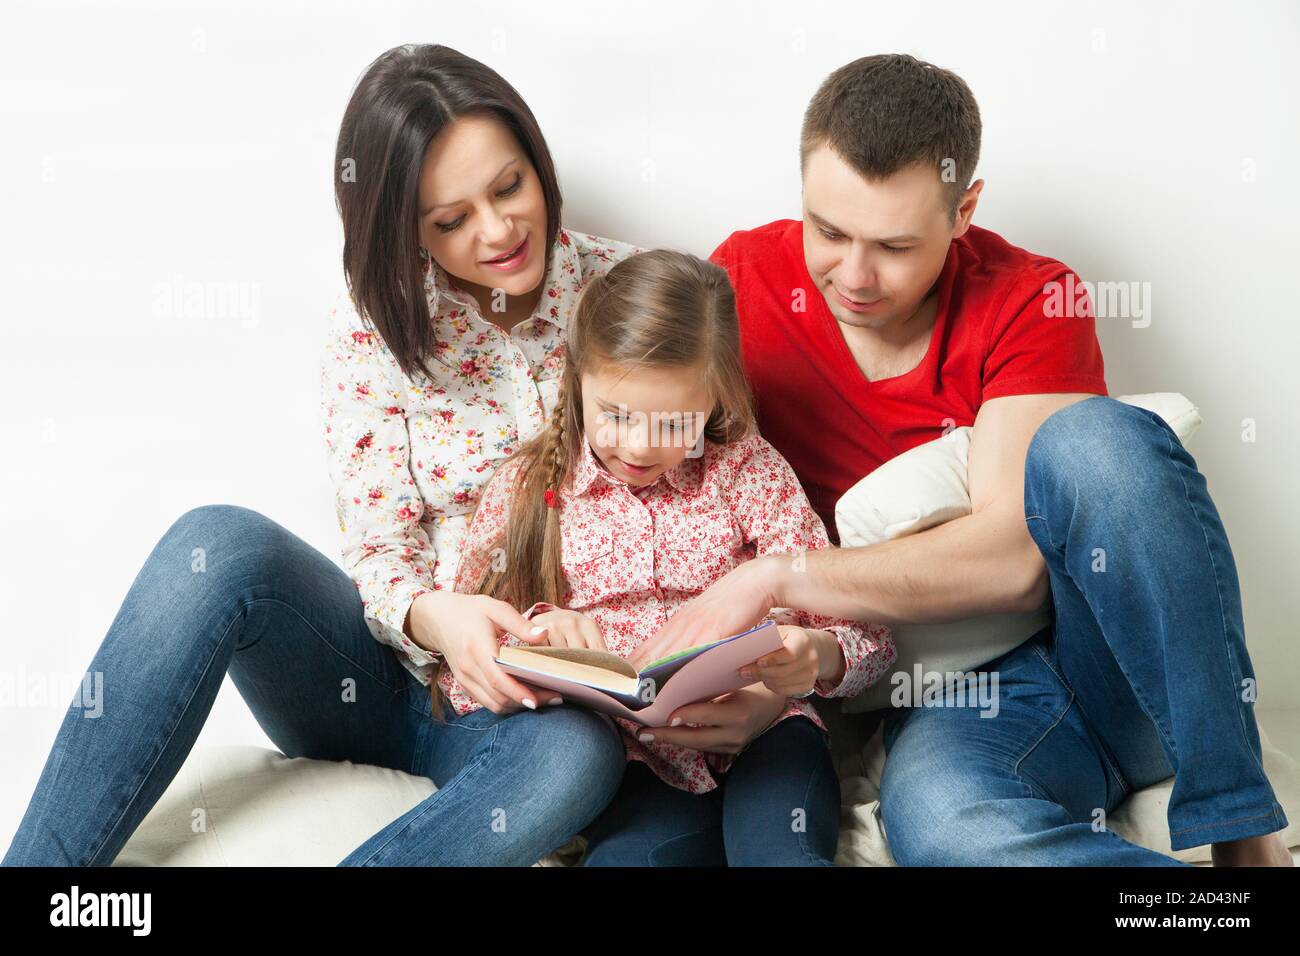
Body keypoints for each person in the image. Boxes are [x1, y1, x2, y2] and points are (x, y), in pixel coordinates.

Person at [634, 54, 1292, 866]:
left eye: (895, 245)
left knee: (1094, 439)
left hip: (1118, 665)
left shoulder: (1032, 297)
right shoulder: (739, 283)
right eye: (829, 231)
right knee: (949, 827)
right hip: (965, 700)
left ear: (963, 209)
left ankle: (1242, 833)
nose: (854, 275)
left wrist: (778, 574)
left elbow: (1014, 562)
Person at [3, 43, 638, 867]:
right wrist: (437, 618)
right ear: (404, 229)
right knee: (219, 543)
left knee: (579, 755)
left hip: (532, 714)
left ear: (537, 161)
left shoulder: (634, 295)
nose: (499, 230)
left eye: (509, 186)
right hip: (380, 687)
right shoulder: (372, 332)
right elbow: (379, 554)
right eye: (450, 220)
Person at [445, 249, 895, 865]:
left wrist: (816, 656)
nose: (636, 446)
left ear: (715, 398)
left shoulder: (748, 472)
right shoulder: (529, 488)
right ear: (577, 379)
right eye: (617, 415)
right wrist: (542, 635)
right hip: (638, 762)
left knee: (780, 855)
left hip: (770, 738)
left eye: (671, 423)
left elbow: (869, 634)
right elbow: (469, 656)